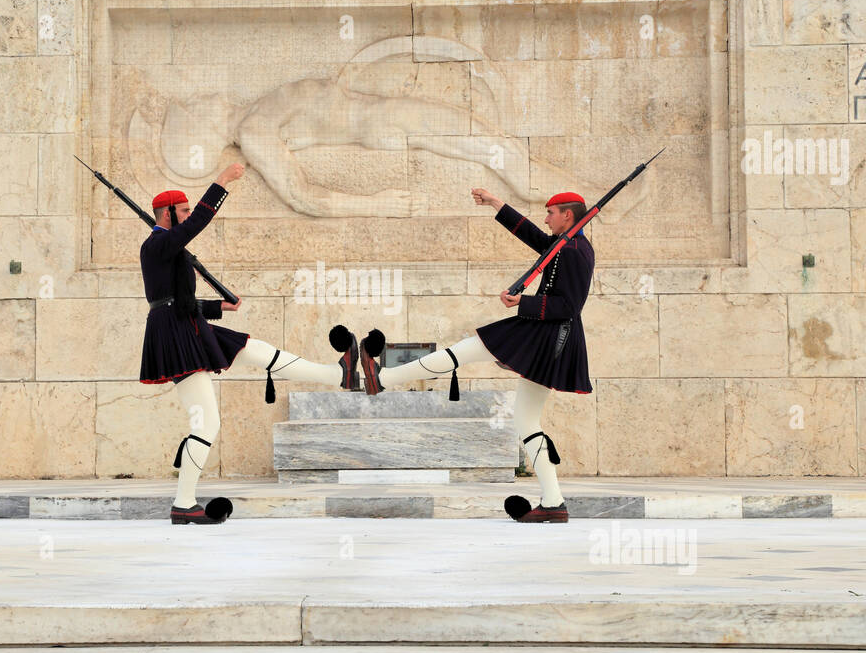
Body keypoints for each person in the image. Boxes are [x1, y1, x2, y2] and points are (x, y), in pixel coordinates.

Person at [353, 188, 595, 523]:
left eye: (551, 213)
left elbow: (570, 307)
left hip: (547, 337)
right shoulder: (564, 244)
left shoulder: (577, 251)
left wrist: (520, 303)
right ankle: (553, 503)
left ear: (568, 214)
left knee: (466, 349)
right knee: (526, 421)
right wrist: (498, 205)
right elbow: (534, 236)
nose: (546, 218)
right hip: (546, 336)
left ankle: (381, 379)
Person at [140, 163, 354, 524]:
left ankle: (336, 375)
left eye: (190, 209)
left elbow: (179, 300)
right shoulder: (159, 242)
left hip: (187, 324)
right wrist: (221, 182)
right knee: (206, 424)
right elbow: (193, 234)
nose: (189, 215)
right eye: (184, 210)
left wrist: (218, 307)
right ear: (167, 214)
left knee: (256, 350)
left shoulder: (166, 246)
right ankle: (184, 504)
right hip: (176, 336)